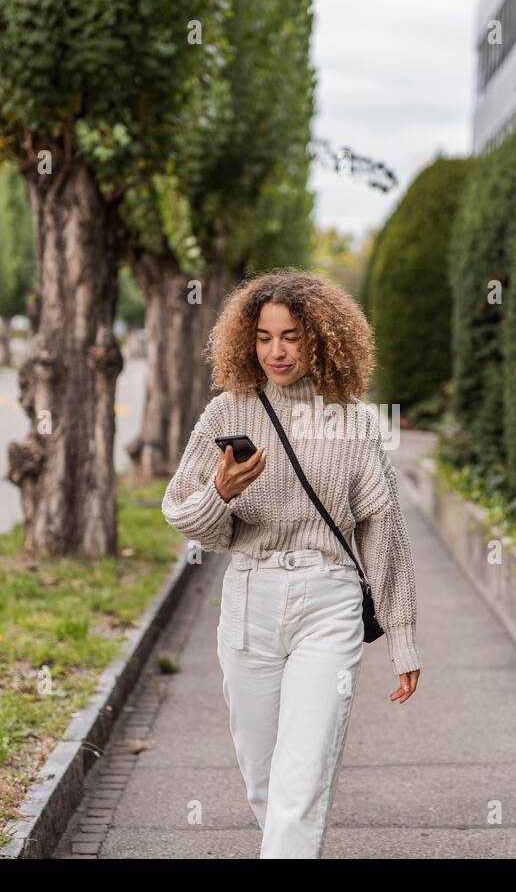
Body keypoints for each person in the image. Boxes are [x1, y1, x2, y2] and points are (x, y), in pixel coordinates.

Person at [161, 270, 421, 858]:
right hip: (249, 600)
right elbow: (185, 514)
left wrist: (403, 638)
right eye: (263, 337)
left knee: (300, 782)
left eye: (291, 337)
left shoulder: (353, 421)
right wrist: (220, 493)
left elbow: (385, 532)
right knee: (264, 780)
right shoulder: (228, 412)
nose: (275, 351)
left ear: (321, 339)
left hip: (328, 603)